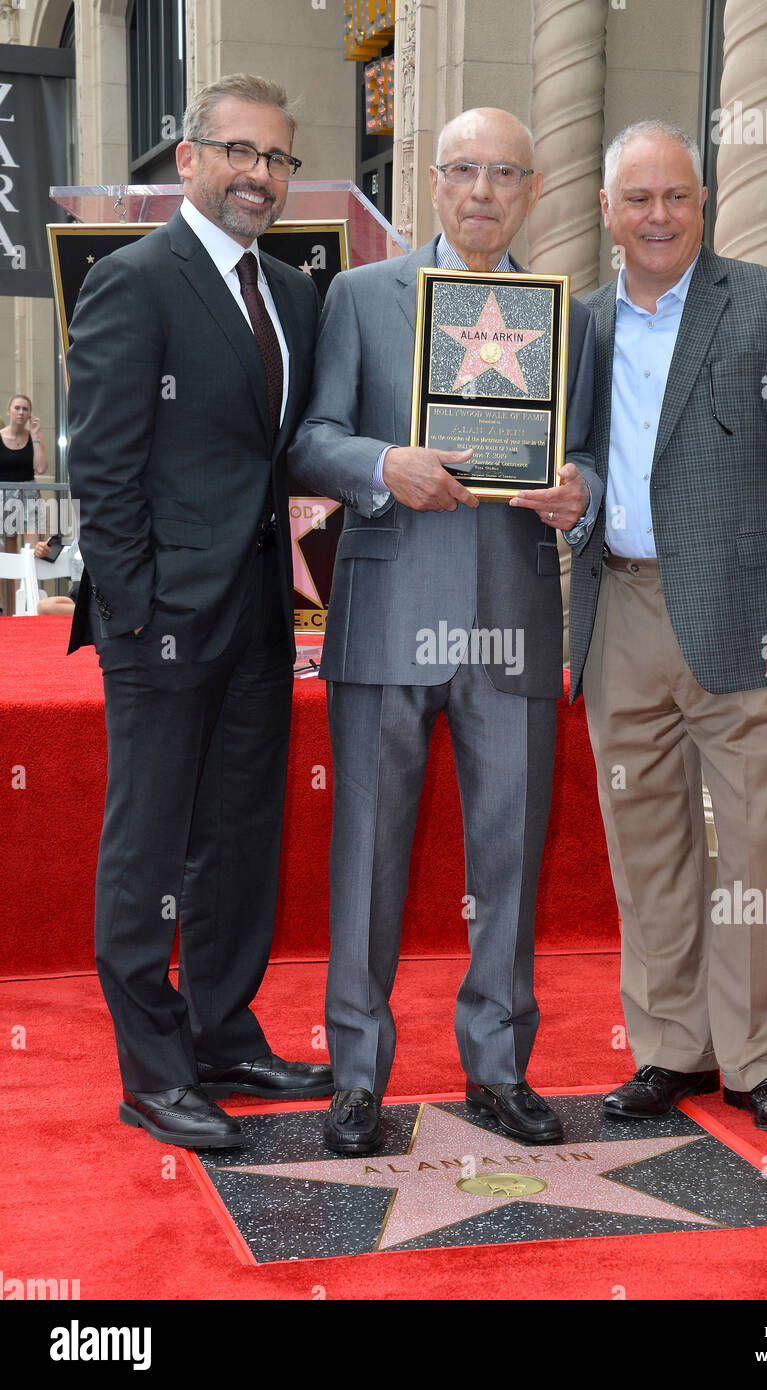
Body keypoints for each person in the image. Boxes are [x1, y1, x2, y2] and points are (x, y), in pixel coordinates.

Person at [289, 107, 600, 1155]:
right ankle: (356, 1075)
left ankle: (499, 1068)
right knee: (367, 853)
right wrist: (385, 465)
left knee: (509, 856)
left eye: (503, 173)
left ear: (531, 190)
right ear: (432, 182)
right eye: (463, 170)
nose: (481, 190)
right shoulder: (361, 297)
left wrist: (576, 491)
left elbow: (587, 450)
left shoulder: (564, 316)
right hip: (384, 616)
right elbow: (311, 440)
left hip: (512, 618)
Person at [66, 73, 330, 1150]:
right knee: (149, 849)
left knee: (236, 839)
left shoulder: (295, 293)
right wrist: (136, 614)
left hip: (262, 618)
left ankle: (224, 1034)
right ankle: (153, 1071)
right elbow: (104, 470)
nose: (258, 176)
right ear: (188, 159)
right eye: (238, 153)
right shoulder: (135, 281)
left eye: (275, 159)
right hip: (160, 623)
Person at [569, 121, 767, 1133]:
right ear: (606, 211)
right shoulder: (582, 323)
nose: (656, 216)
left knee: (758, 854)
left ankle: (759, 1061)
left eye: (674, 196)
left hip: (744, 624)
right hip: (617, 610)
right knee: (645, 850)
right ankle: (669, 1049)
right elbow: (571, 458)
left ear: (702, 203)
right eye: (637, 198)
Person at [1, 395, 49, 612]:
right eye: (17, 408)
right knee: (10, 561)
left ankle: (36, 608)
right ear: (9, 411)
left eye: (25, 409)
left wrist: (36, 436)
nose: (21, 412)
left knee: (33, 553)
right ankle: (10, 611)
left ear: (30, 414)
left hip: (29, 497)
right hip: (5, 499)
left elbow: (40, 469)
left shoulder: (34, 437)